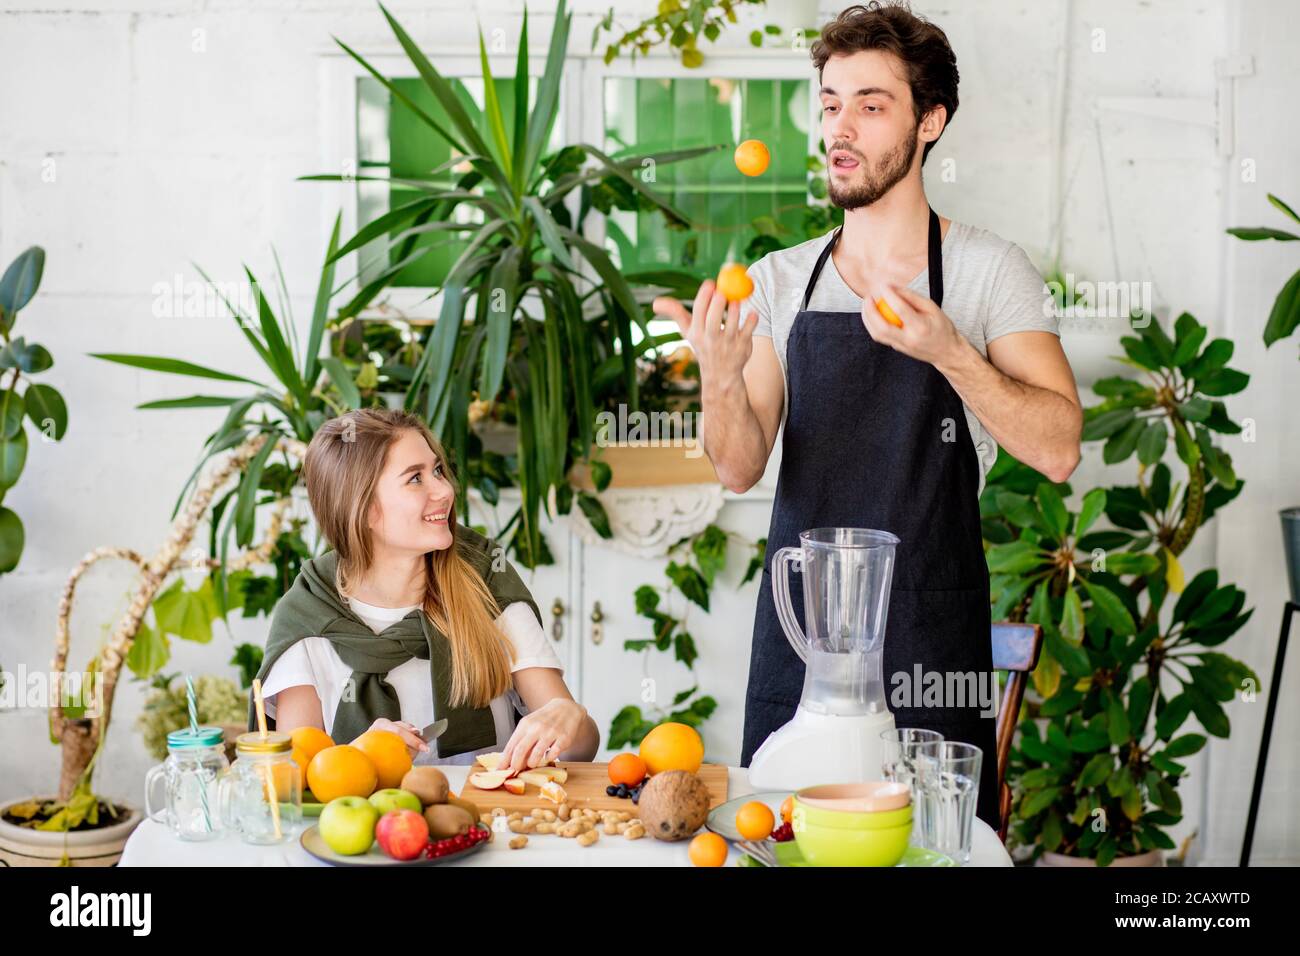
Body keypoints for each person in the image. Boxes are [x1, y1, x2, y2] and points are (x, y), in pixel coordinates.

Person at [653, 1, 1082, 829]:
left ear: (930, 121)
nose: (840, 128)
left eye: (871, 104)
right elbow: (739, 465)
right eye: (830, 102)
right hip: (803, 645)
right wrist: (719, 377)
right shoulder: (784, 279)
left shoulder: (989, 271)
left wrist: (952, 351)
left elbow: (1060, 449)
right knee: (787, 840)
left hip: (930, 634)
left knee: (934, 847)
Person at [252, 407, 599, 775]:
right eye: (415, 479)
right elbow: (291, 779)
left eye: (437, 470)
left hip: (493, 825)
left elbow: (582, 749)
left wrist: (569, 716)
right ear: (364, 508)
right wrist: (359, 757)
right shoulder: (308, 614)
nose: (445, 490)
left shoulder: (484, 581)